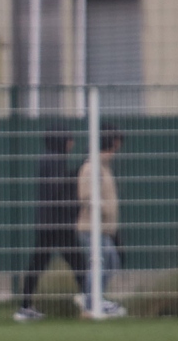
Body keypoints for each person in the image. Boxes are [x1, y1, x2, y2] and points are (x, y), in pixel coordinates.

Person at [14, 124, 89, 322]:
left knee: (42, 263)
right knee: (77, 262)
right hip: (57, 222)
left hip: (48, 221)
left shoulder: (51, 158)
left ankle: (25, 305)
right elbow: (58, 190)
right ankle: (91, 301)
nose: (72, 143)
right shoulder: (54, 160)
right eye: (69, 139)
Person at [75, 123, 127, 318]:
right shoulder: (92, 167)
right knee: (100, 263)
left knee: (112, 262)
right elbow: (86, 195)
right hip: (91, 228)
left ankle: (93, 299)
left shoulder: (103, 167)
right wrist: (104, 210)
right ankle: (90, 304)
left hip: (104, 228)